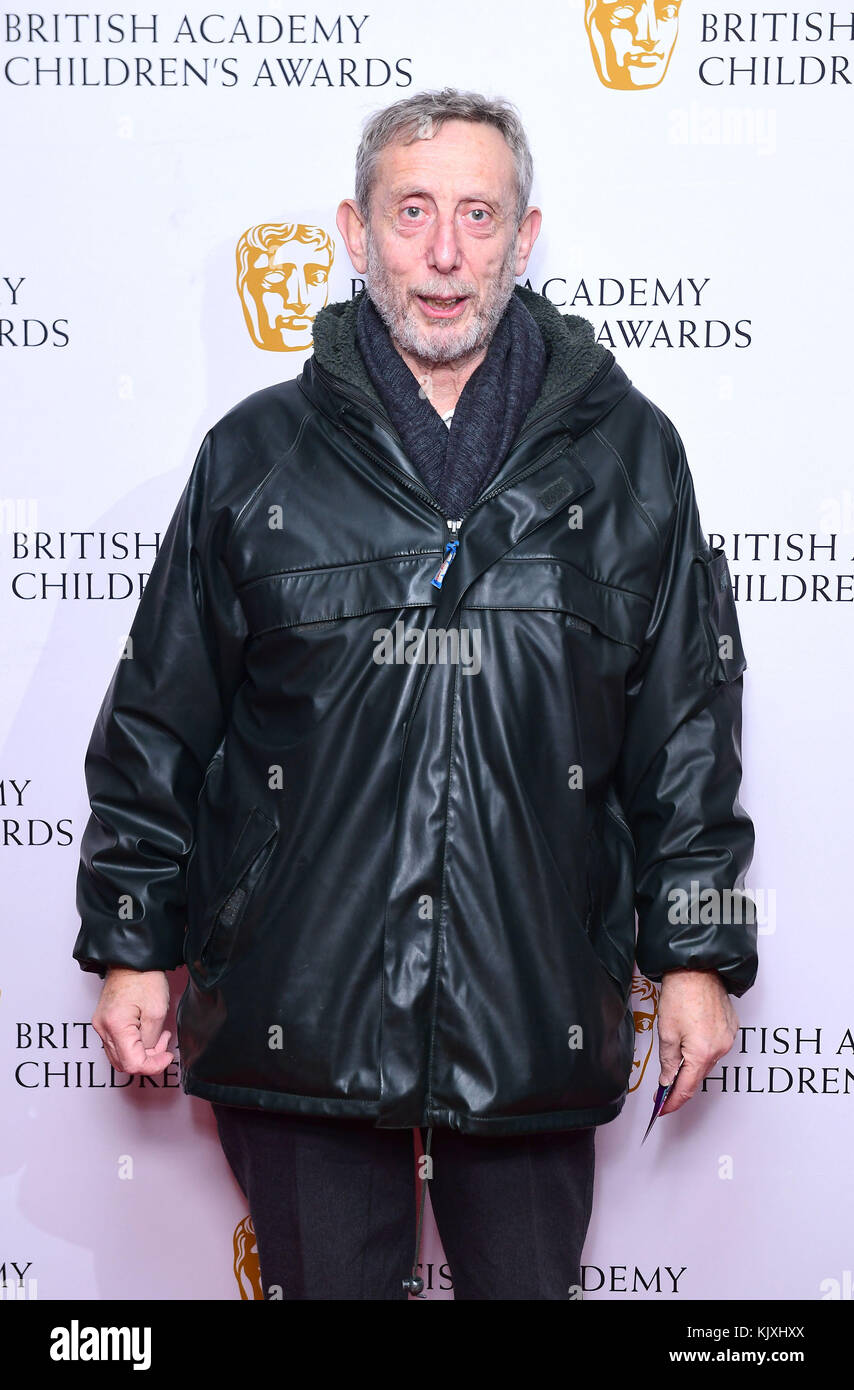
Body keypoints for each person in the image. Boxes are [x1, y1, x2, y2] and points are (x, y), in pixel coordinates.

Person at [73, 87, 757, 1301]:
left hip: (533, 1000)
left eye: (478, 215)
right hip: (304, 1001)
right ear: (355, 228)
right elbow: (158, 717)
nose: (444, 253)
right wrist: (134, 943)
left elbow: (685, 729)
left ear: (523, 237)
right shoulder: (254, 455)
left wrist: (695, 957)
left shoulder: (632, 456)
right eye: (412, 213)